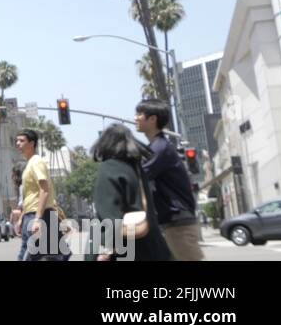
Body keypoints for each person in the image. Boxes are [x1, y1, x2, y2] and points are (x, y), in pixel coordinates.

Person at [88, 124, 171, 261]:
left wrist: (105, 250)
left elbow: (109, 215)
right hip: (152, 246)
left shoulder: (109, 168)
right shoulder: (137, 169)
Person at [135, 99, 205, 261]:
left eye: (139, 114)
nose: (135, 118)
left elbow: (139, 176)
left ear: (152, 119)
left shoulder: (159, 149)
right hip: (172, 221)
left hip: (178, 222)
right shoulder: (157, 147)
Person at [16, 130, 69, 261]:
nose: (18, 143)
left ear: (32, 143)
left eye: (21, 141)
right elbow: (30, 196)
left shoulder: (36, 162)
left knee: (32, 256)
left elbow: (44, 189)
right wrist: (21, 218)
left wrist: (38, 219)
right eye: (16, 141)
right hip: (32, 214)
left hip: (40, 215)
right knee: (46, 255)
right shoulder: (30, 164)